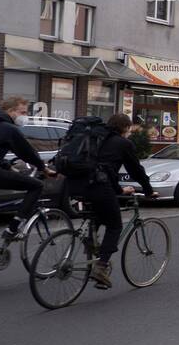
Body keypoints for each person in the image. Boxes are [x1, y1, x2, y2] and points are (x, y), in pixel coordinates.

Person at [65, 114, 156, 290]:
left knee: (99, 215)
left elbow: (104, 169)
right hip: (98, 187)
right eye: (129, 129)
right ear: (125, 128)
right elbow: (135, 170)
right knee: (114, 226)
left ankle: (91, 245)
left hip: (74, 187)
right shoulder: (123, 143)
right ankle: (101, 267)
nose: (129, 133)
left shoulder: (94, 139)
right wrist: (149, 190)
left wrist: (120, 190)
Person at [0, 96, 53, 238]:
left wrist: (7, 166)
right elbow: (27, 152)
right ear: (11, 111)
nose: (26, 116)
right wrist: (43, 168)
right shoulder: (8, 128)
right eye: (23, 112)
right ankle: (13, 228)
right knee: (37, 185)